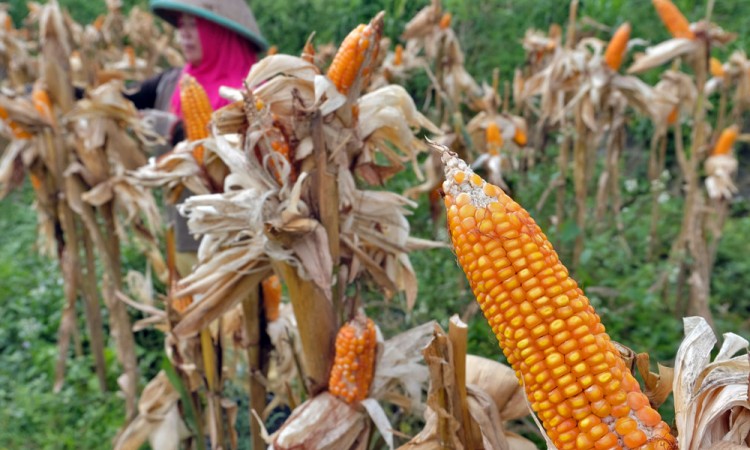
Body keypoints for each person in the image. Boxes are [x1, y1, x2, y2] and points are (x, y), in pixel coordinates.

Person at [131, 0, 268, 276]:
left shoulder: (256, 94)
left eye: (194, 25)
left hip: (240, 244)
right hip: (184, 232)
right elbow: (126, 100)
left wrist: (180, 131)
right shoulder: (174, 80)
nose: (183, 33)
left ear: (219, 33)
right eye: (182, 25)